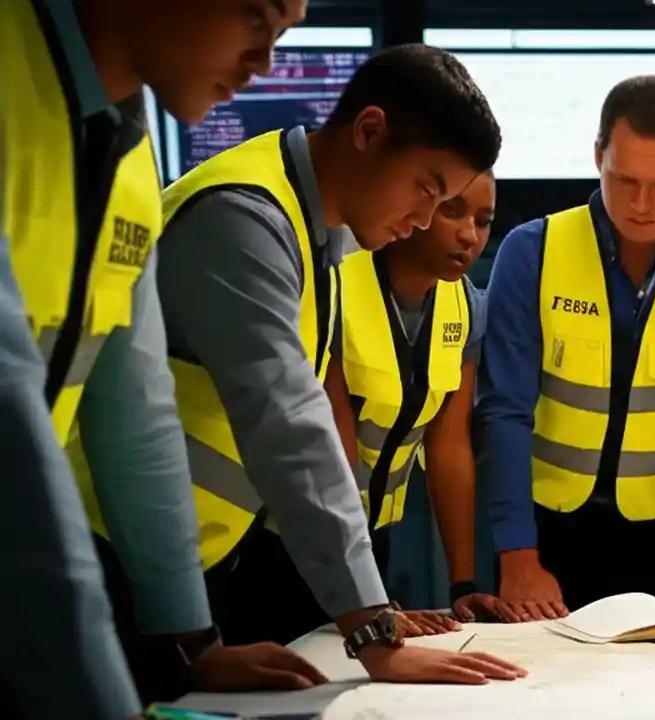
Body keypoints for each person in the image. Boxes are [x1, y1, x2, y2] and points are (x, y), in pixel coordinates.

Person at [140, 43, 525, 685]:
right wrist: (372, 632)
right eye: (429, 191)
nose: (427, 220)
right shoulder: (246, 219)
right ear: (369, 133)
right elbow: (291, 429)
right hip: (122, 560)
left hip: (184, 575)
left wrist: (196, 643)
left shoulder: (321, 233)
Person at [0, 0, 338, 716]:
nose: (266, 63)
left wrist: (190, 642)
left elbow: (136, 411)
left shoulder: (126, 150)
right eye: (256, 17)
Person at [480, 75, 655, 618]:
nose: (640, 203)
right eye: (624, 179)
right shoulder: (532, 253)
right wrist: (515, 553)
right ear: (596, 157)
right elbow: (504, 414)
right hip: (547, 538)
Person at [325, 169, 518, 625]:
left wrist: (463, 587)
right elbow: (334, 452)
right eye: (452, 211)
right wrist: (366, 600)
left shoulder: (465, 305)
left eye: (484, 219)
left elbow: (449, 446)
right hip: (297, 537)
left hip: (372, 539)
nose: (470, 234)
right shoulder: (333, 284)